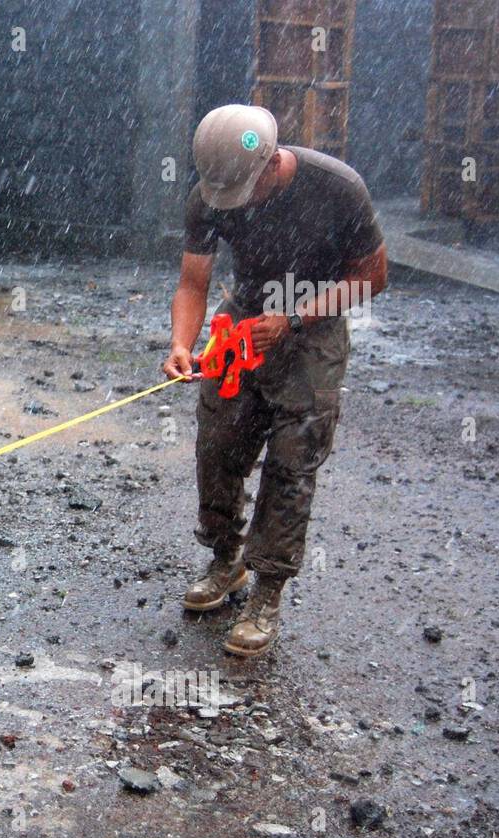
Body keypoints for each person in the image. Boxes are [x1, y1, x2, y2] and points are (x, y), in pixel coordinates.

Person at [162, 104, 388, 658]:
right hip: (244, 320)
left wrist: (292, 316)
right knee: (217, 447)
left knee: (292, 461)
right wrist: (181, 345)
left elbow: (373, 276)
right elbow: (194, 282)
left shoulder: (337, 188)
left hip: (313, 327)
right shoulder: (209, 194)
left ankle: (267, 591)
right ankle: (225, 561)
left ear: (270, 162)